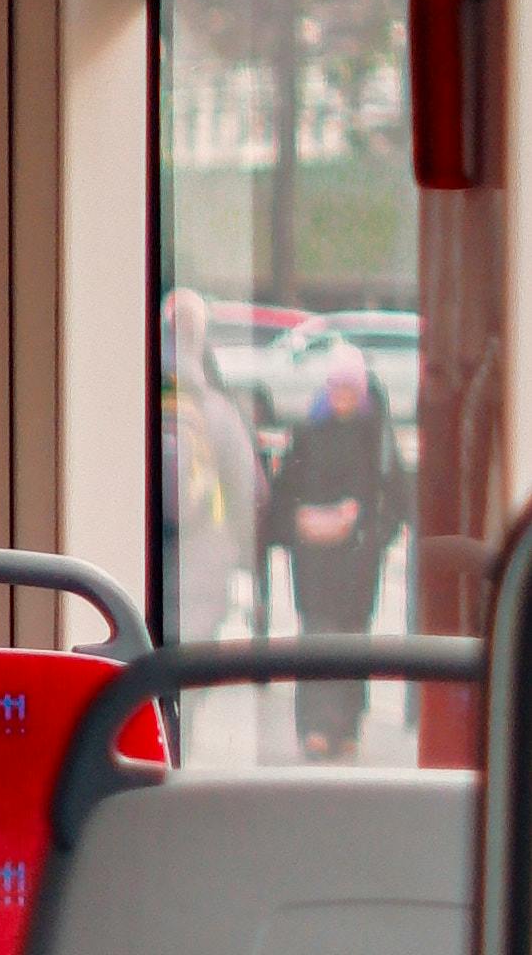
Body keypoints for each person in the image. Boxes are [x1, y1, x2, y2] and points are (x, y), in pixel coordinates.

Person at [259, 339, 409, 757]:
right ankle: (314, 726)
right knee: (316, 638)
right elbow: (281, 499)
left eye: (350, 388)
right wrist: (302, 524)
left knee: (352, 642)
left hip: (357, 565)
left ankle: (345, 727)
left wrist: (364, 532)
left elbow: (396, 502)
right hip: (314, 564)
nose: (342, 396)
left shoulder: (376, 439)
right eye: (336, 387)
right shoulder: (308, 433)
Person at [158, 288, 257, 651]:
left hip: (143, 568)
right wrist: (246, 560)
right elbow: (247, 492)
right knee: (186, 692)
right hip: (203, 567)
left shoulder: (135, 402)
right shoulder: (219, 412)